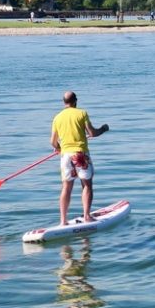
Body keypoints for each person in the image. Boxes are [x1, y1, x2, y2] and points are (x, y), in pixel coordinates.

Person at [50, 91, 109, 225]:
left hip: (65, 156)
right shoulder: (81, 113)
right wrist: (104, 129)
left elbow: (53, 142)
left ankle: (63, 221)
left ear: (63, 102)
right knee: (87, 185)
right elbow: (92, 133)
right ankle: (87, 216)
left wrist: (59, 148)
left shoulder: (57, 118)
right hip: (80, 154)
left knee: (66, 186)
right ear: (76, 101)